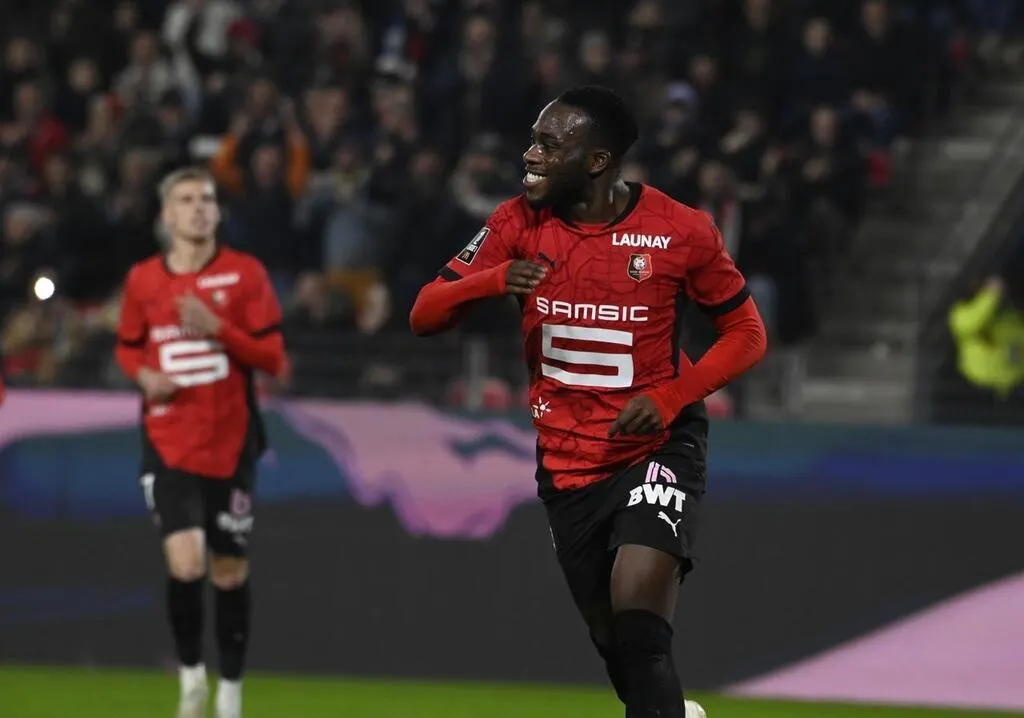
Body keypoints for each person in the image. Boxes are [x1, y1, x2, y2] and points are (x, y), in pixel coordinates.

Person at [409, 86, 767, 717]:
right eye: (533, 140)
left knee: (638, 624)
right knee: (614, 644)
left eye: (549, 143)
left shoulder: (681, 231)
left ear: (597, 161)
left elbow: (747, 334)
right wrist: (496, 278)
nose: (530, 155)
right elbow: (423, 314)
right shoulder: (514, 223)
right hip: (569, 462)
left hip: (658, 442)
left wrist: (672, 396)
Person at [115, 167, 287, 718]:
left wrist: (218, 328)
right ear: (166, 215)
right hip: (167, 443)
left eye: (207, 199)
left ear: (217, 212)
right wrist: (143, 377)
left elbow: (274, 359)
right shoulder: (143, 280)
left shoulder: (245, 275)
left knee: (228, 570)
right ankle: (192, 678)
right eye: (186, 200)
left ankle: (230, 691)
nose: (199, 208)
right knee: (185, 564)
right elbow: (128, 347)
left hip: (232, 442)